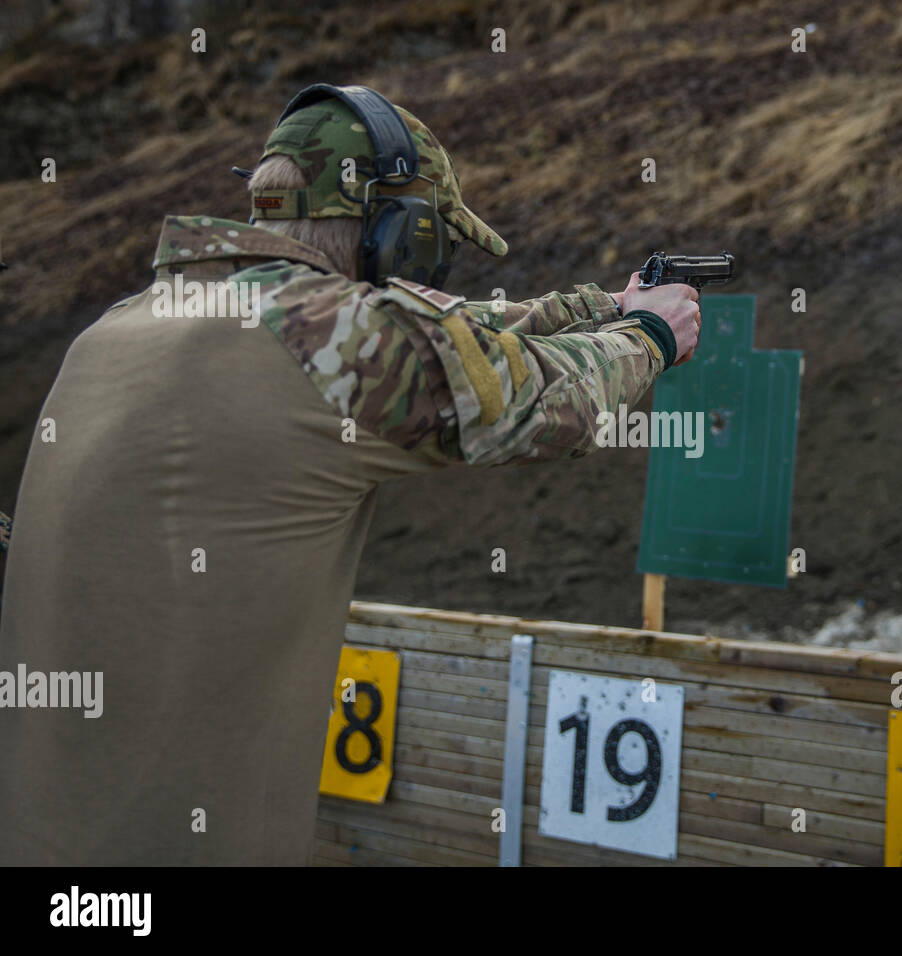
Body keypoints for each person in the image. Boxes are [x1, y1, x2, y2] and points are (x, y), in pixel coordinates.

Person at [0, 84, 700, 864]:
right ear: (391, 227)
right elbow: (533, 402)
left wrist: (600, 302)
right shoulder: (330, 341)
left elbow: (440, 340)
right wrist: (649, 335)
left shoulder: (116, 330)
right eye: (430, 237)